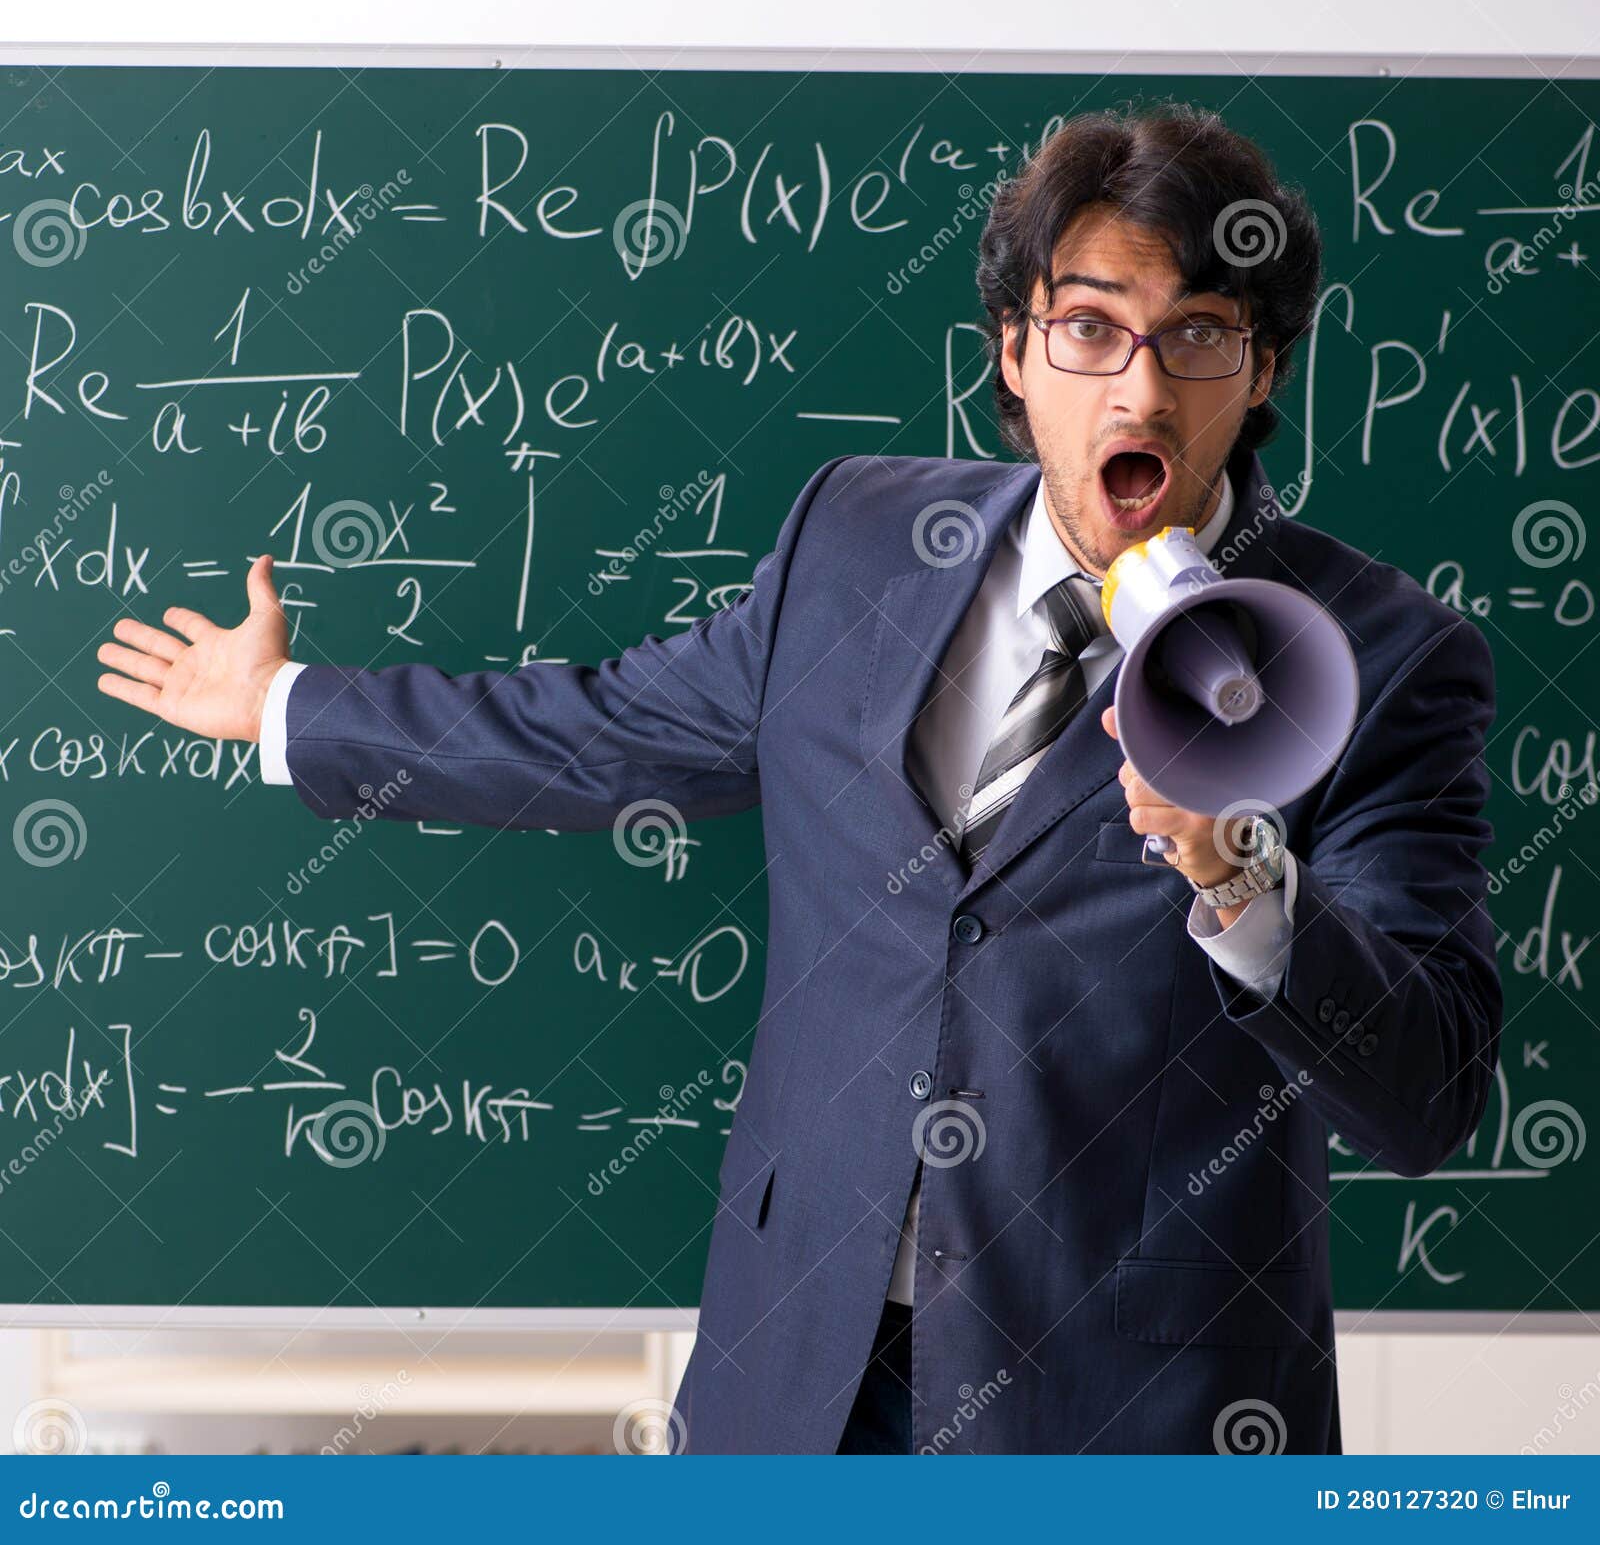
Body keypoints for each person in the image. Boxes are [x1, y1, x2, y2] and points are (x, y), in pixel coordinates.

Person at [96, 102, 1499, 1455]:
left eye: (1197, 334)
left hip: (1127, 1416)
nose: (1140, 387)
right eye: (1089, 326)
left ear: (1263, 370)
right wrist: (284, 704)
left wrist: (1241, 881)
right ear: (1015, 350)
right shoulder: (859, 538)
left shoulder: (1379, 658)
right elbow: (606, 730)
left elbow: (1426, 1093)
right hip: (798, 1375)